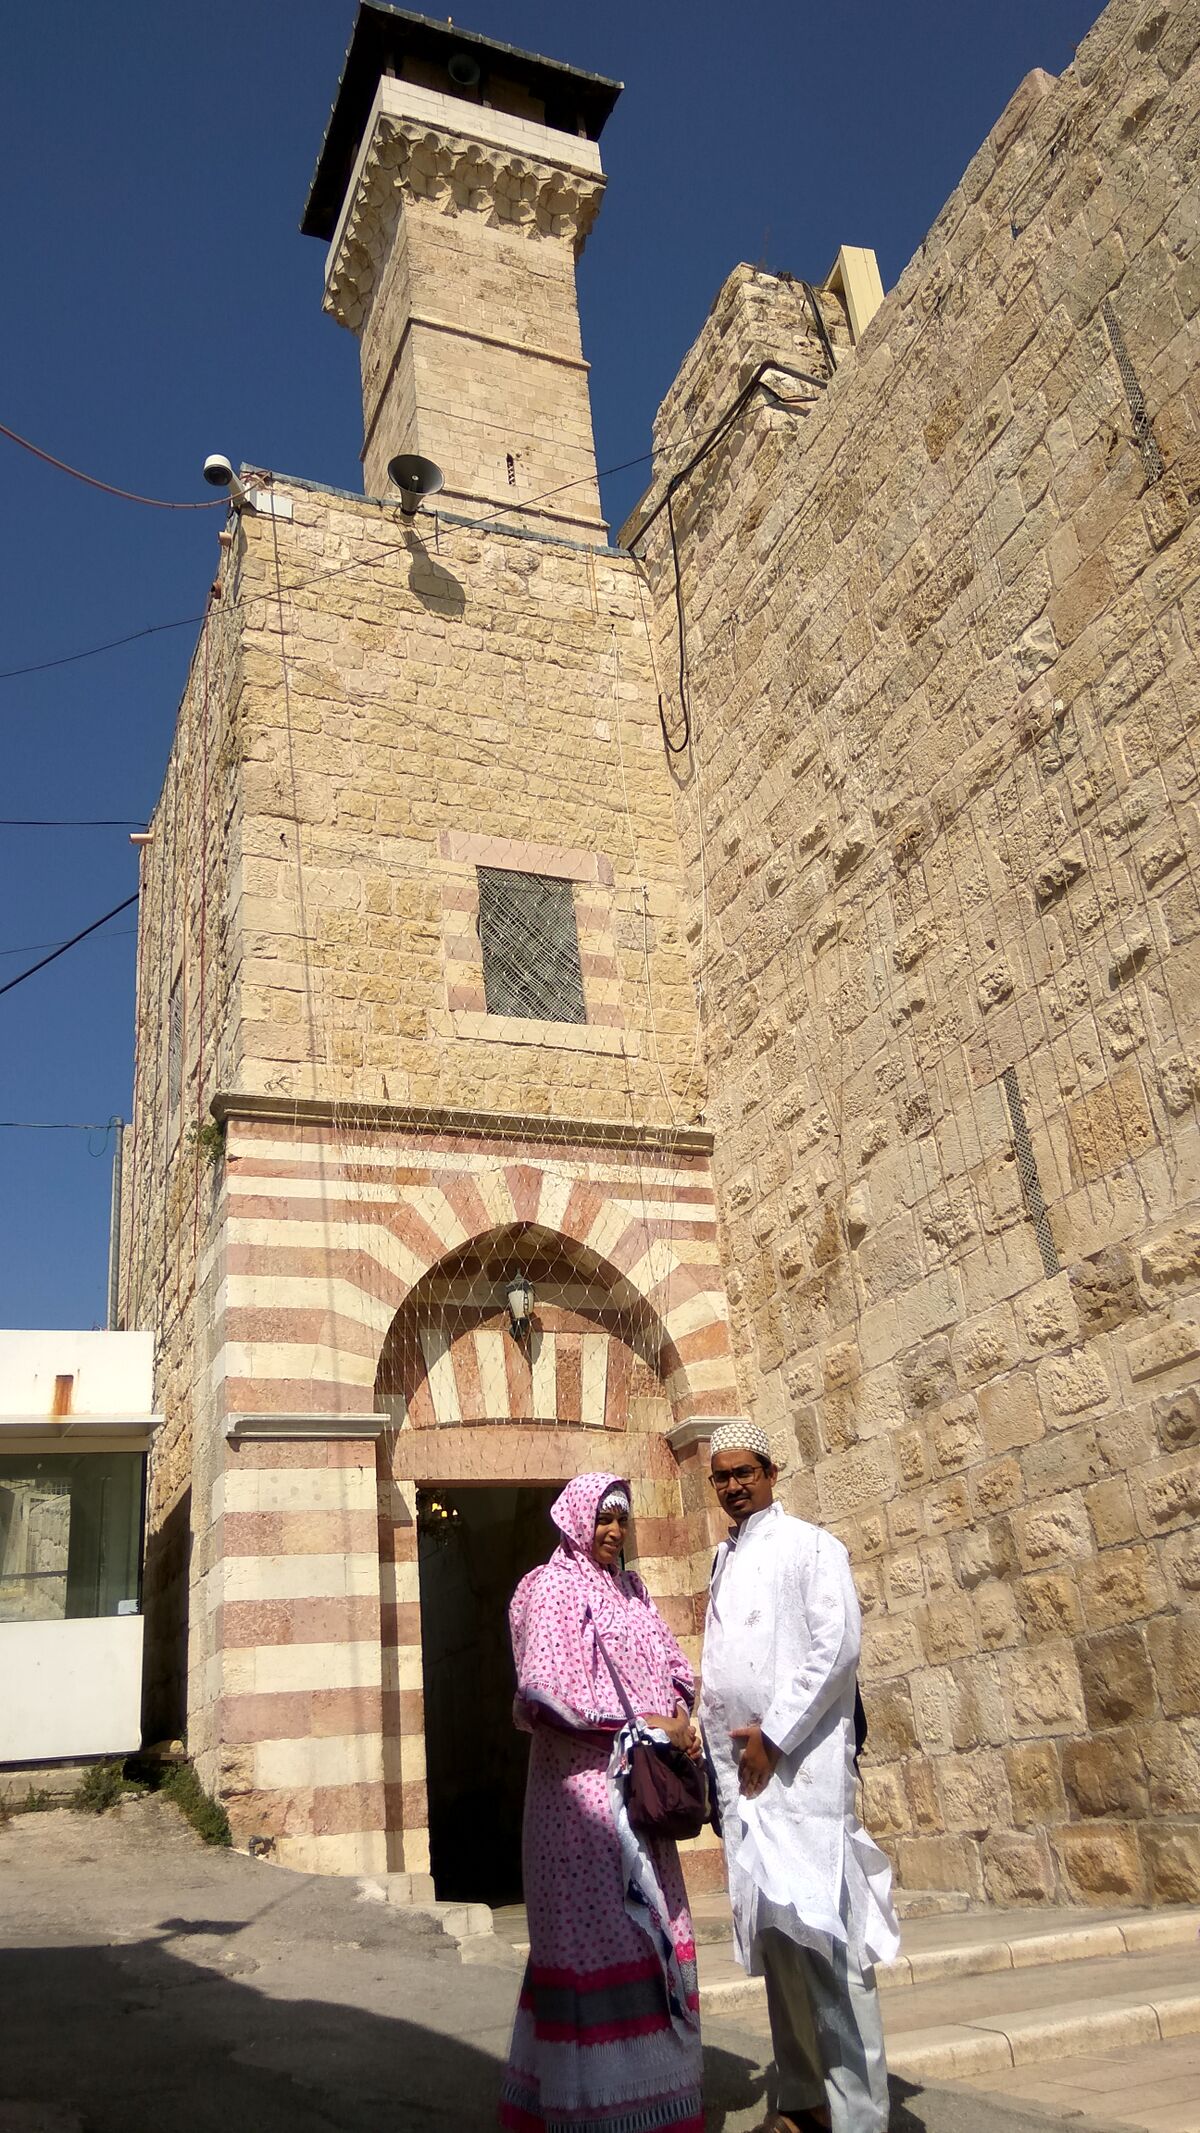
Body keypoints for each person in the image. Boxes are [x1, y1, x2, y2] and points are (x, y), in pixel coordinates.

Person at [699, 1421, 899, 2133]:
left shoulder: (813, 1546)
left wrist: (775, 1738)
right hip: (750, 1791)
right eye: (720, 1475)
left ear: (771, 1471)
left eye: (743, 1471)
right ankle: (803, 2099)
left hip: (800, 1781)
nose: (732, 1484)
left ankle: (861, 2118)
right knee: (782, 1951)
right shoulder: (723, 1560)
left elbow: (836, 1646)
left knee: (832, 1957)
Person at [498, 1471, 705, 2133]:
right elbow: (548, 1691)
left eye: (622, 1518)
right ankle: (591, 2111)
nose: (613, 1531)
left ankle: (655, 2107)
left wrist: (677, 1716)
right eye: (603, 1518)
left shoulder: (632, 1589)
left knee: (653, 1939)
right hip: (580, 1807)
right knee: (599, 1940)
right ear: (575, 1518)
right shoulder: (550, 1586)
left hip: (638, 1798)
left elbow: (673, 1666)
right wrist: (645, 1722)